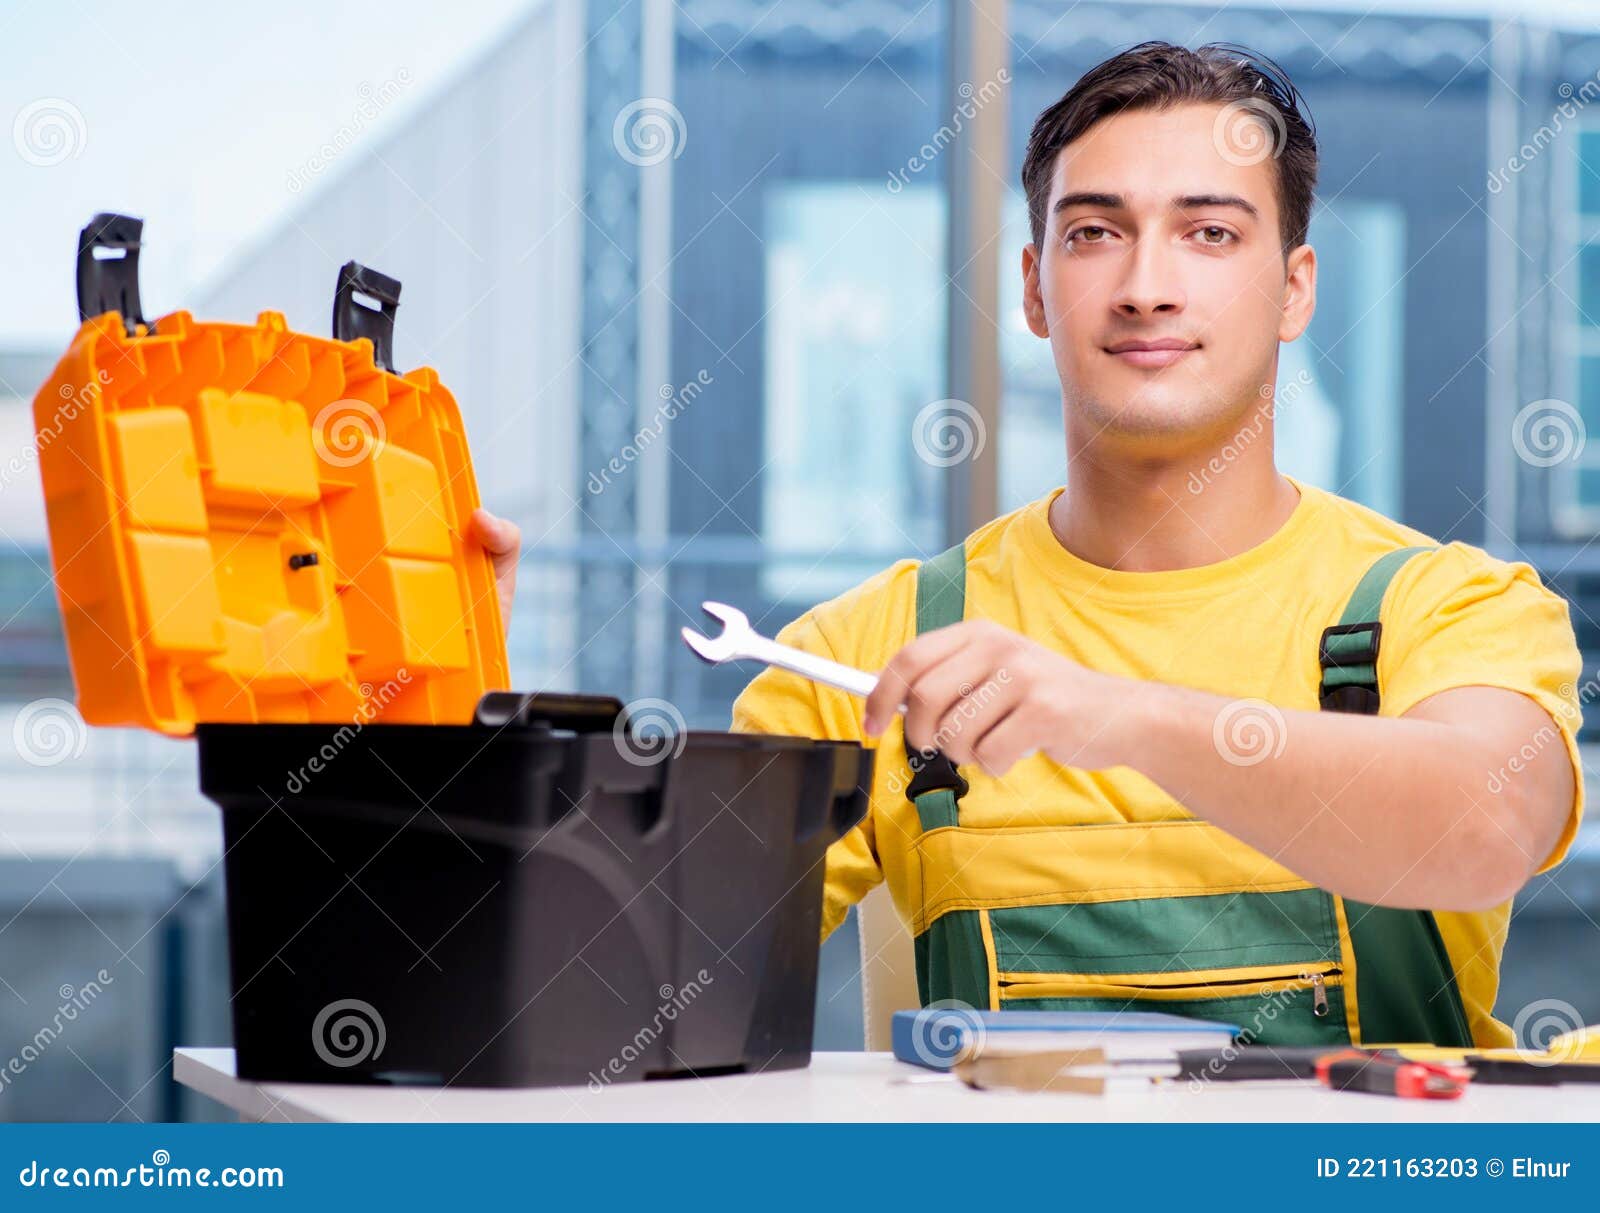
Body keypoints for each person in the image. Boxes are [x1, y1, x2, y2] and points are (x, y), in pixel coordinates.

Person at [479, 41, 1586, 1049]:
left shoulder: (1443, 607)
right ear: (1033, 288)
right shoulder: (876, 645)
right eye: (1095, 232)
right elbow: (595, 1000)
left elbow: (1487, 822)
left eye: (1209, 234)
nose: (1147, 287)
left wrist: (1122, 715)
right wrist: (454, 685)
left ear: (1294, 289)